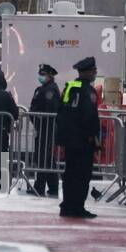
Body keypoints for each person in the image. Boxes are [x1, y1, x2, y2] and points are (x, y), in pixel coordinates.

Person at [55, 57, 101, 219]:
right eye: (94, 70)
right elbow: (89, 116)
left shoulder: (69, 87)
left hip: (69, 139)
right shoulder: (89, 91)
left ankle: (67, 205)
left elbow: (61, 111)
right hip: (83, 140)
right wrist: (93, 136)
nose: (95, 73)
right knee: (82, 175)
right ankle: (77, 207)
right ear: (87, 72)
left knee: (70, 173)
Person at [28, 64, 62, 197]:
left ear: (50, 76)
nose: (40, 76)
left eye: (43, 74)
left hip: (46, 127)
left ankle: (39, 187)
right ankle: (52, 187)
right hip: (41, 127)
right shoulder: (42, 89)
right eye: (40, 74)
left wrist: (39, 121)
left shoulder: (50, 90)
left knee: (43, 158)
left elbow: (50, 110)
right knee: (47, 159)